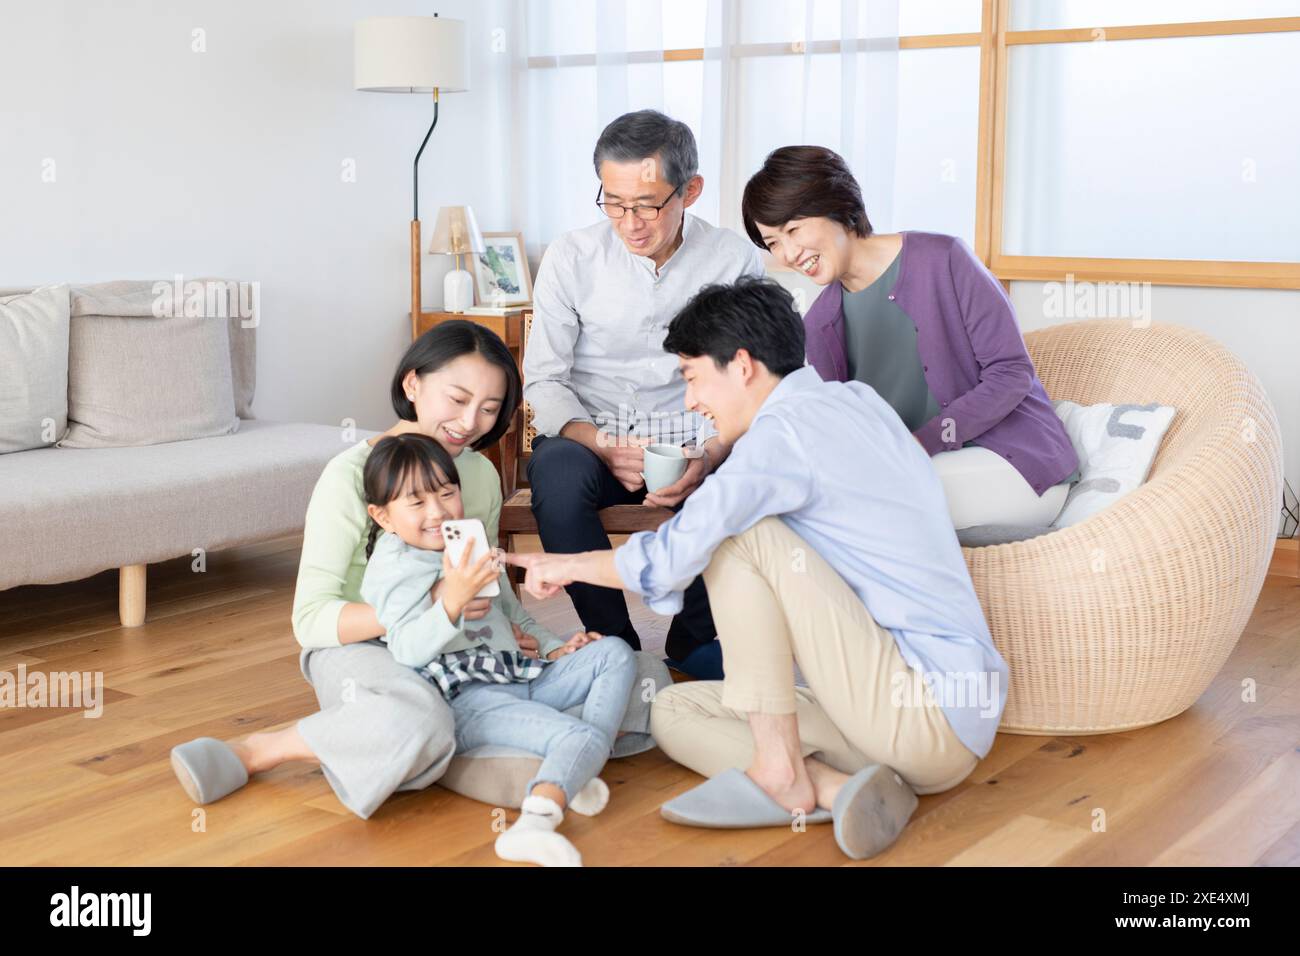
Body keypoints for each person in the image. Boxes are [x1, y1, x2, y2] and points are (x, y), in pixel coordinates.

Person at [506, 277, 1008, 860]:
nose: (692, 401)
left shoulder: (780, 438)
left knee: (738, 536)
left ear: (741, 365)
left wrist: (563, 564)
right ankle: (840, 787)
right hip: (933, 725)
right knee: (672, 709)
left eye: (692, 377)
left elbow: (674, 555)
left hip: (920, 707)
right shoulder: (856, 400)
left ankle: (781, 774)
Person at [169, 321, 657, 818]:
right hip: (366, 645)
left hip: (467, 653)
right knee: (416, 720)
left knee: (647, 676)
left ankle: (482, 750)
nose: (470, 422)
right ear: (412, 384)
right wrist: (432, 604)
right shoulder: (348, 477)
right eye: (458, 398)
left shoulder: (478, 474)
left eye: (489, 409)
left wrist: (553, 647)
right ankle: (264, 749)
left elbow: (498, 596)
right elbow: (310, 620)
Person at [523, 109, 763, 678]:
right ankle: (615, 645)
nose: (630, 222)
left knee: (755, 471)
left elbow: (753, 383)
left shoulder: (733, 258)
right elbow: (545, 380)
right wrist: (598, 442)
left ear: (691, 191)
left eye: (648, 204)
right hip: (594, 439)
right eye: (613, 201)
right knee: (555, 475)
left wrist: (710, 454)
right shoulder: (571, 256)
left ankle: (693, 639)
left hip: (697, 438)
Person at [742, 145, 1078, 530]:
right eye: (773, 243)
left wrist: (921, 443)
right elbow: (845, 426)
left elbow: (1010, 373)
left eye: (792, 230)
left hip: (1017, 464)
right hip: (913, 471)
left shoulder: (943, 258)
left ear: (833, 203)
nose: (788, 253)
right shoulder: (820, 323)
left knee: (850, 508)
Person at [360, 432, 635, 866]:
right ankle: (534, 823)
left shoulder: (471, 544)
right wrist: (450, 599)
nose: (438, 511)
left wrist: (555, 650)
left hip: (521, 675)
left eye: (447, 493)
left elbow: (517, 618)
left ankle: (579, 766)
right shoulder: (394, 568)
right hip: (471, 701)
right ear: (384, 517)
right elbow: (407, 649)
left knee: (615, 652)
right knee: (579, 734)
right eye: (416, 503)